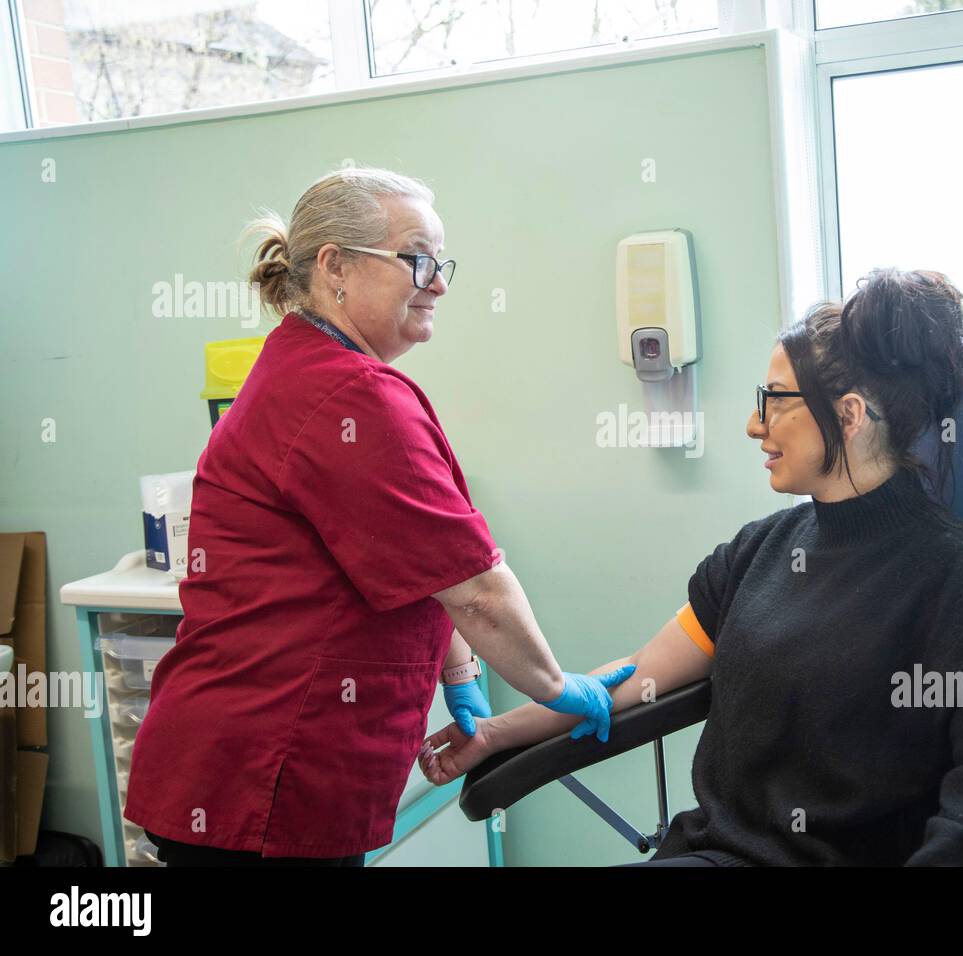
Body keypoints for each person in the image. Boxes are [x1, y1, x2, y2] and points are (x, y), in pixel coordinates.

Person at [418, 268, 963, 866]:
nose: (752, 425)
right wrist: (494, 736)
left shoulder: (961, 586)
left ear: (848, 417)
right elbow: (637, 679)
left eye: (773, 401)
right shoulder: (759, 554)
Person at [125, 167, 633, 866]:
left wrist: (459, 676)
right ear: (335, 265)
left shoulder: (312, 372)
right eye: (418, 259)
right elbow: (476, 588)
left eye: (442, 262)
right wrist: (555, 688)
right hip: (259, 776)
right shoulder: (346, 395)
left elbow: (414, 554)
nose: (441, 284)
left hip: (242, 766)